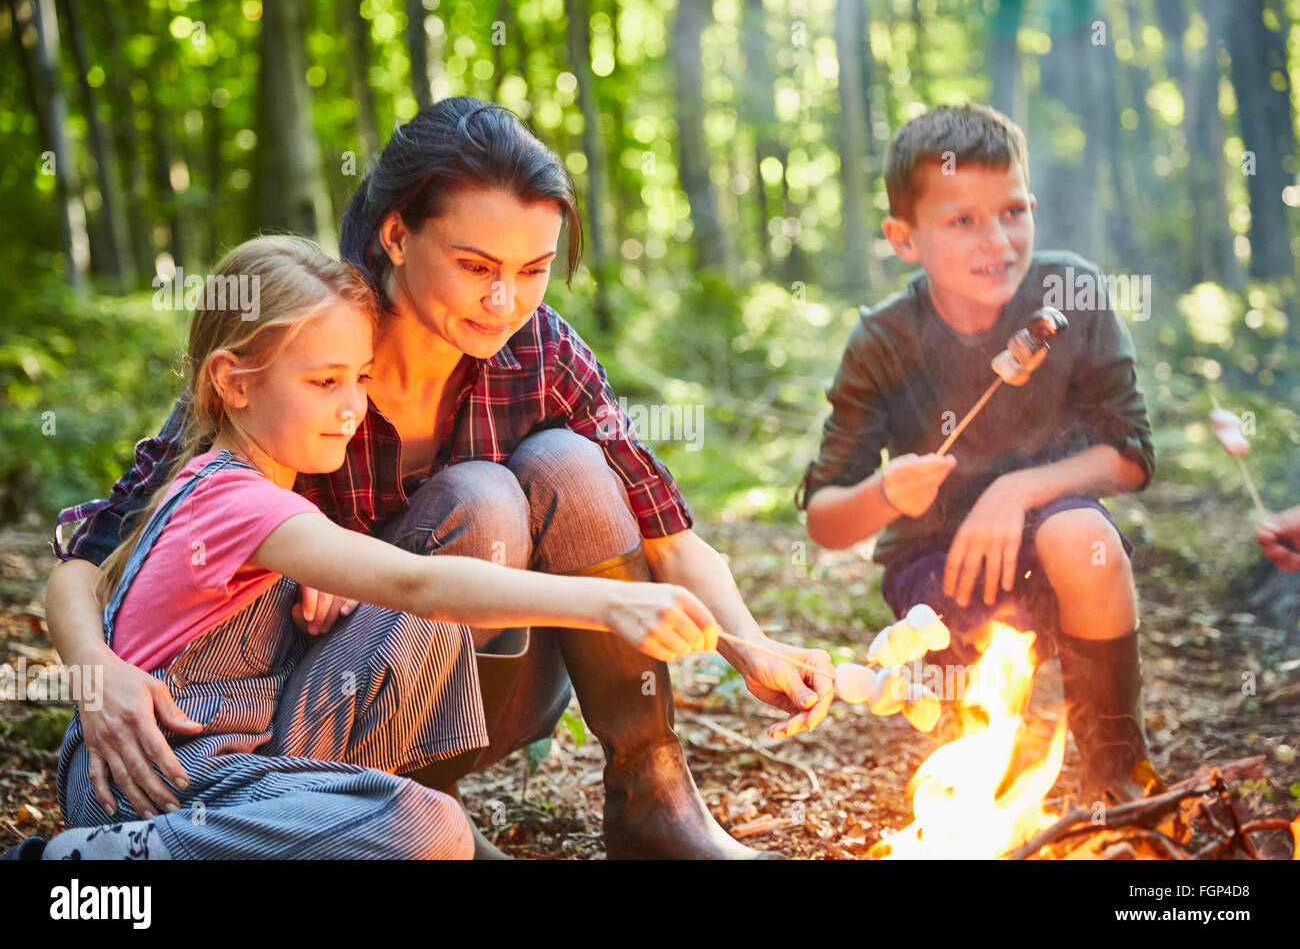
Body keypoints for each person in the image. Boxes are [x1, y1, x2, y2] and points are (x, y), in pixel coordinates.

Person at [43, 97, 833, 860]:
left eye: (533, 270)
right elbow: (96, 552)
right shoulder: (299, 348)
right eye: (474, 265)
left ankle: (650, 796)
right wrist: (94, 674)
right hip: (260, 717)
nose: (504, 301)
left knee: (569, 463)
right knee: (484, 499)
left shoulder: (542, 351)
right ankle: (375, 822)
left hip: (480, 682)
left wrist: (752, 647)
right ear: (395, 234)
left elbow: (670, 535)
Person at [19, 236, 719, 860]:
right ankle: (95, 862)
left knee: (427, 820)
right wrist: (610, 601)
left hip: (254, 755)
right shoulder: (232, 497)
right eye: (324, 383)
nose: (352, 407)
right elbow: (418, 584)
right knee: (425, 830)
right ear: (232, 382)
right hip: (156, 775)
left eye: (360, 378)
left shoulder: (266, 490)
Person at [798, 103, 1158, 803]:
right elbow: (825, 518)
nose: (997, 241)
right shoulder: (883, 340)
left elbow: (1132, 453)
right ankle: (978, 789)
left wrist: (1016, 490)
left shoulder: (1071, 292)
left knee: (1084, 535)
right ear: (904, 238)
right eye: (962, 220)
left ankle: (1120, 772)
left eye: (1014, 211)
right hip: (939, 570)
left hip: (1059, 540)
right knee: (963, 681)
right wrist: (883, 495)